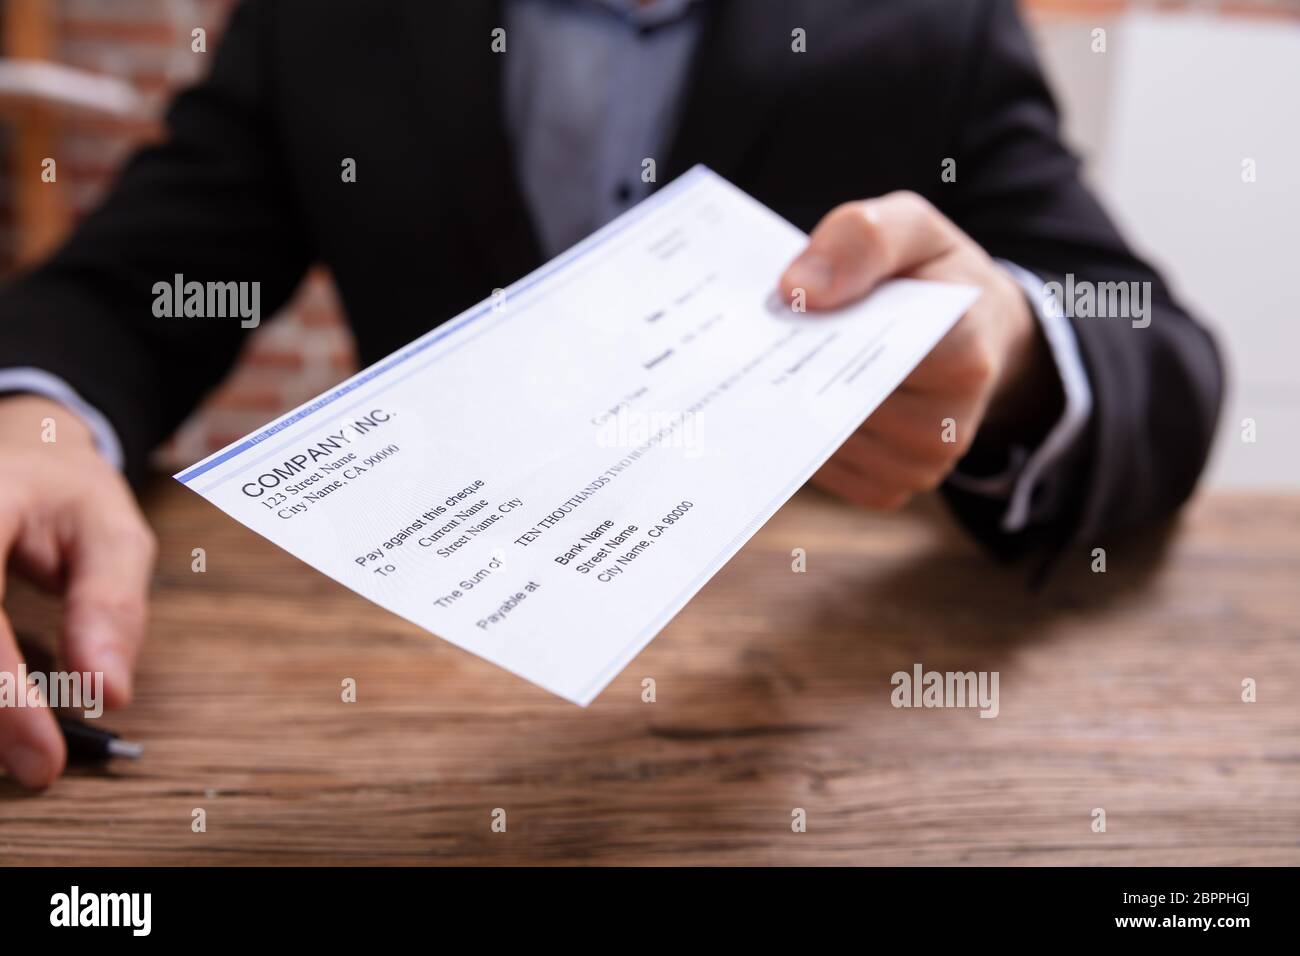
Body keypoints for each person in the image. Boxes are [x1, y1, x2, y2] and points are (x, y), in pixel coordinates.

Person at [0, 0, 1222, 787]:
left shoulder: (930, 24)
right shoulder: (325, 20)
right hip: (396, 697)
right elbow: (133, 286)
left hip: (828, 737)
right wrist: (40, 414)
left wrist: (1003, 352)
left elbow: (1157, 351)